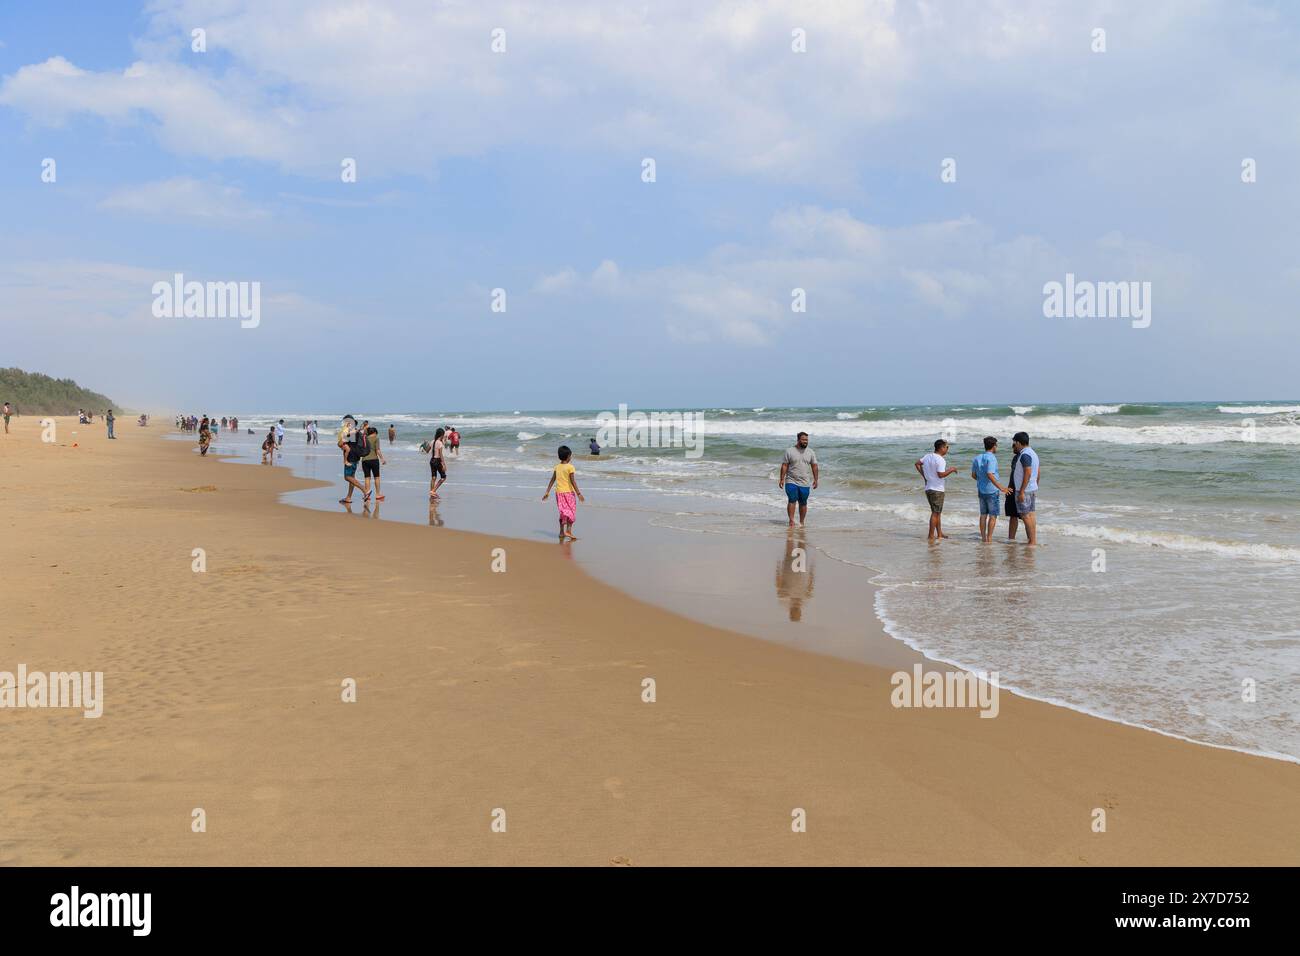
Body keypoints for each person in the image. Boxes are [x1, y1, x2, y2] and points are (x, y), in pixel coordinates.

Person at [915, 439, 958, 540]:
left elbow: (917, 464)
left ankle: (939, 534)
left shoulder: (927, 456)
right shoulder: (940, 459)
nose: (947, 449)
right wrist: (951, 470)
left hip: (929, 488)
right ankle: (930, 536)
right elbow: (940, 475)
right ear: (942, 448)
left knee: (937, 512)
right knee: (935, 513)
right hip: (937, 489)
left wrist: (925, 477)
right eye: (947, 447)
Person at [970, 436, 1011, 542]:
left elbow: (973, 475)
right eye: (996, 445)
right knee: (993, 515)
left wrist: (982, 481)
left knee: (983, 515)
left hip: (981, 490)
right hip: (992, 491)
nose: (997, 447)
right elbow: (990, 474)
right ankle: (989, 538)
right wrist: (1001, 487)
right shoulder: (992, 458)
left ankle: (983, 538)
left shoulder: (977, 458)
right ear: (993, 446)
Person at [542, 444, 584, 540]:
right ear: (568, 456)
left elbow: (552, 480)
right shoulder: (570, 467)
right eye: (570, 456)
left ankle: (561, 532)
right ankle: (568, 531)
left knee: (563, 513)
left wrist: (547, 491)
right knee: (571, 512)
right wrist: (579, 493)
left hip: (559, 493)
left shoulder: (557, 467)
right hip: (569, 493)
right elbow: (573, 481)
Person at [777, 432, 819, 527]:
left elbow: (814, 466)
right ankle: (791, 521)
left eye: (807, 440)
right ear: (798, 440)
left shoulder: (811, 452)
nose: (805, 442)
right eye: (803, 440)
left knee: (803, 502)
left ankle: (801, 522)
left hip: (805, 482)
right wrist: (782, 479)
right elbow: (784, 465)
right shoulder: (789, 451)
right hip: (791, 480)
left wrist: (816, 480)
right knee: (792, 499)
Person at [1008, 431, 1041, 546]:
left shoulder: (1025, 454)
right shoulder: (1033, 453)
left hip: (1024, 490)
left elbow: (1028, 471)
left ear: (1018, 442)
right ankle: (1032, 540)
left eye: (1014, 442)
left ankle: (1032, 541)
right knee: (1030, 515)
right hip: (1031, 488)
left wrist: (1021, 491)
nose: (1014, 445)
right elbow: (1038, 472)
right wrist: (1035, 485)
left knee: (1025, 516)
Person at [337, 415, 368, 504]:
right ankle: (349, 497)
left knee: (347, 477)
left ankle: (365, 491)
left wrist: (340, 442)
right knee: (352, 478)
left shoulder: (351, 432)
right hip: (356, 457)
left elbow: (341, 443)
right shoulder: (356, 431)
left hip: (350, 457)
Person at [362, 424, 387, 502]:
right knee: (376, 477)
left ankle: (367, 494)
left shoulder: (364, 438)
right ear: (375, 432)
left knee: (367, 477)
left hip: (364, 460)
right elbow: (377, 450)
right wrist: (382, 459)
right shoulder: (376, 438)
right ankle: (377, 494)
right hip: (374, 460)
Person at [429, 427, 448, 500]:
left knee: (433, 477)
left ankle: (432, 495)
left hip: (432, 461)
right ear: (441, 435)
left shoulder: (432, 441)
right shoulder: (439, 443)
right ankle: (433, 491)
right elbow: (440, 455)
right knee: (443, 477)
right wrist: (443, 464)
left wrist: (425, 444)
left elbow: (427, 450)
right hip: (437, 461)